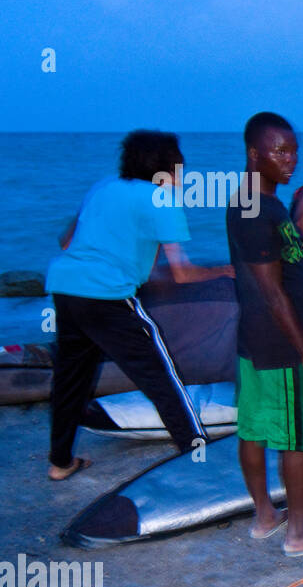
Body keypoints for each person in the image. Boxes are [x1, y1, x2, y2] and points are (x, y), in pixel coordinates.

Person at [44, 130, 230, 481]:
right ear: (169, 169)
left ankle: (60, 462)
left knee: (71, 378)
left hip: (66, 289)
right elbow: (184, 274)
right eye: (181, 168)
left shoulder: (104, 187)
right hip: (110, 298)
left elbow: (66, 241)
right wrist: (224, 270)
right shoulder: (162, 200)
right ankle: (199, 461)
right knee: (163, 377)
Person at [227, 112, 303, 557]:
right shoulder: (256, 209)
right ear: (254, 153)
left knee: (255, 429)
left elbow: (277, 266)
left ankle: (266, 518)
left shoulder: (258, 200)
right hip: (282, 346)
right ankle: (299, 534)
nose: (291, 159)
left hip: (255, 342)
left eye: (294, 149)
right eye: (280, 150)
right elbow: (271, 290)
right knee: (295, 436)